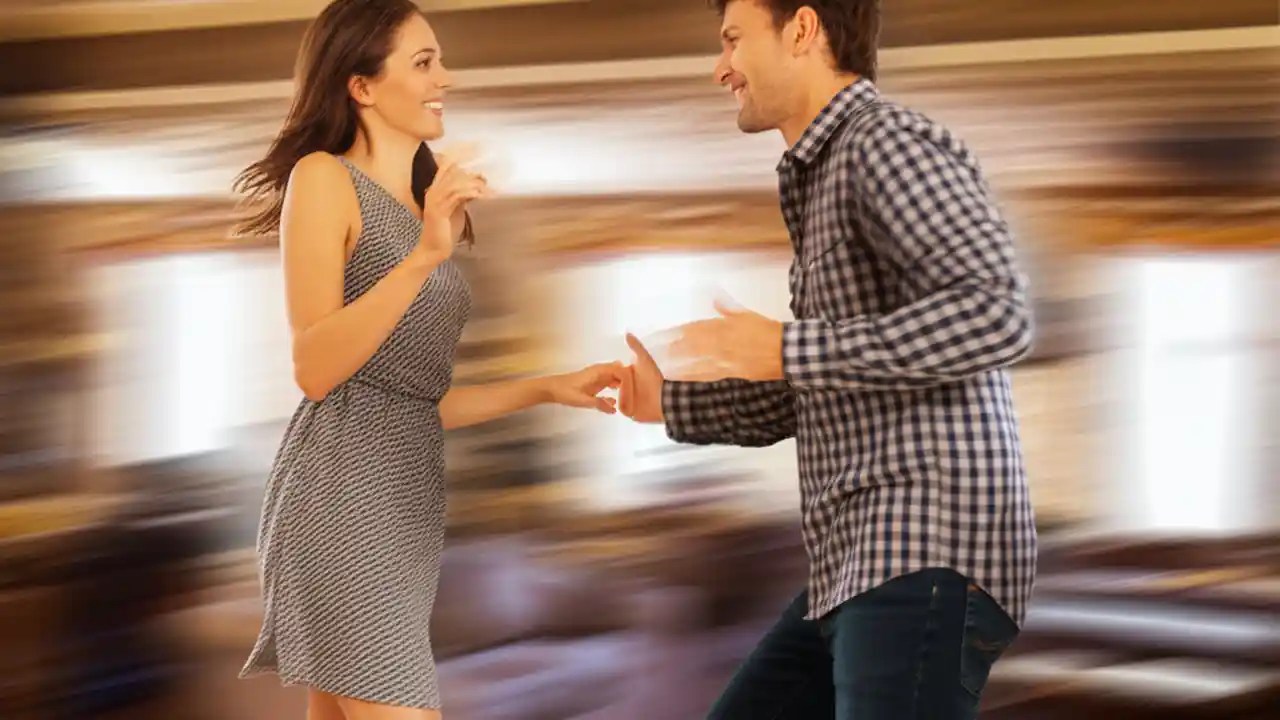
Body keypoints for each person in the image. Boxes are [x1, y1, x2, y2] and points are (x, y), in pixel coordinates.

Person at [618, 1, 1037, 718]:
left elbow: (998, 311)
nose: (721, 69)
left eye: (732, 41)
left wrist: (785, 345)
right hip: (856, 563)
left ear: (803, 30)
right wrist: (669, 404)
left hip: (922, 545)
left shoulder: (884, 144)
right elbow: (823, 385)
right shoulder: (822, 178)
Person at [231, 1, 623, 718]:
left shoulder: (426, 207)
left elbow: (409, 404)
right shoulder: (324, 180)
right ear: (362, 86)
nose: (446, 75)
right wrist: (424, 256)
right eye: (424, 61)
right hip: (341, 504)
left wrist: (545, 388)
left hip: (405, 511)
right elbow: (316, 369)